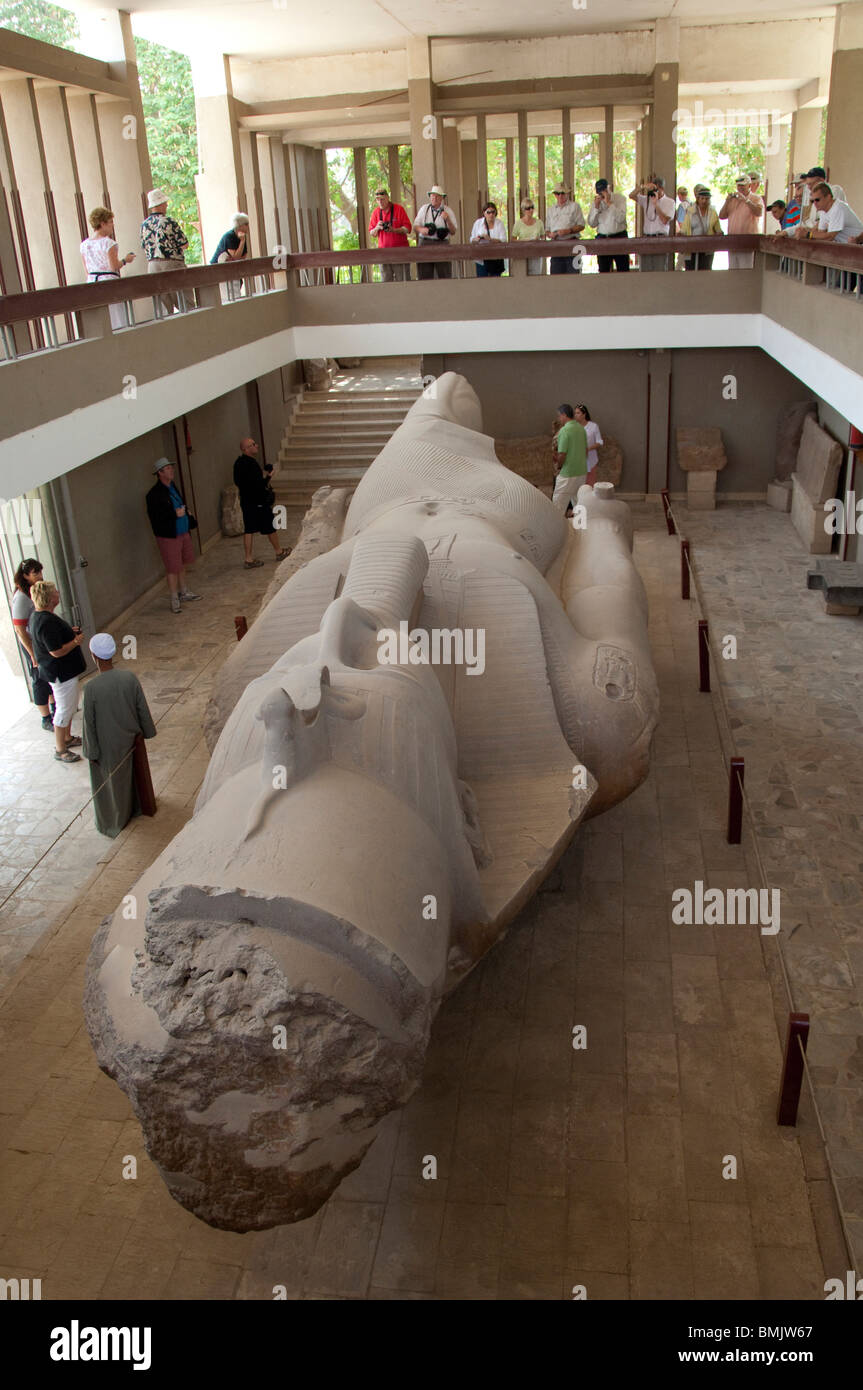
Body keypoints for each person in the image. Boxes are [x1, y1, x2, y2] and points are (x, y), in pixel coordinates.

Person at [81, 633, 157, 838]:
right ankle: (136, 809)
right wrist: (147, 731)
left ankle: (112, 822)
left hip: (108, 746)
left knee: (111, 787)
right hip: (131, 741)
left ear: (94, 656)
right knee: (133, 778)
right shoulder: (129, 678)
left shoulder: (91, 688)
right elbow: (142, 709)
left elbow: (89, 723)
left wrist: (92, 751)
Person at [28, 580, 86, 764]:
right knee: (64, 709)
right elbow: (56, 651)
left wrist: (70, 632)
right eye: (55, 592)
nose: (58, 593)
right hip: (61, 673)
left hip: (61, 672)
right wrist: (76, 641)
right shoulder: (46, 621)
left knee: (68, 707)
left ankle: (67, 738)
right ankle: (61, 749)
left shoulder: (40, 616)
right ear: (48, 598)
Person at [145, 459, 201, 613]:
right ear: (160, 473)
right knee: (172, 567)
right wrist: (174, 514)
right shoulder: (154, 494)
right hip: (169, 535)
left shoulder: (173, 486)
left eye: (171, 468)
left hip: (182, 531)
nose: (171, 471)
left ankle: (184, 591)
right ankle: (174, 598)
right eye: (168, 469)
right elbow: (156, 516)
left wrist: (187, 515)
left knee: (182, 563)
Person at [233, 437, 291, 568]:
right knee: (270, 526)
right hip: (258, 502)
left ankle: (248, 559)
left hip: (246, 501)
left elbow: (239, 482)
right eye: (253, 444)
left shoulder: (238, 463)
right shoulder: (251, 464)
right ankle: (279, 552)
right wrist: (269, 477)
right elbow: (259, 485)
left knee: (249, 529)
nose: (256, 445)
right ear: (246, 449)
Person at [10, 557, 53, 730]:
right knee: (39, 678)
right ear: (25, 575)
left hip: (41, 640)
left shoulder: (34, 590)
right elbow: (20, 629)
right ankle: (46, 718)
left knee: (49, 674)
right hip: (32, 643)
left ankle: (54, 707)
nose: (40, 575)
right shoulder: (21, 597)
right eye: (36, 573)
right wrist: (32, 654)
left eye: (40, 571)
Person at [80, 207, 136, 330]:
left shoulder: (84, 245)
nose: (112, 226)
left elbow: (87, 270)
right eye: (110, 222)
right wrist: (125, 260)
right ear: (103, 223)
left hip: (92, 281)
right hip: (108, 281)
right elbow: (113, 266)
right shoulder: (109, 243)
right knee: (117, 317)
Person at [141, 188, 188, 314]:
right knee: (185, 302)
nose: (166, 205)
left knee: (163, 307)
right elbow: (184, 244)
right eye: (165, 202)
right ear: (160, 204)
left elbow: (144, 246)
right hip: (172, 263)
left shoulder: (144, 224)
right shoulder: (168, 221)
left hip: (152, 266)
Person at [629, 175, 675, 270]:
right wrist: (643, 187)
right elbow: (631, 195)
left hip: (661, 238)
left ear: (662, 188)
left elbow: (665, 220)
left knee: (659, 268)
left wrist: (656, 204)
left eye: (656, 189)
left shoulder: (670, 202)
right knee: (645, 269)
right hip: (647, 238)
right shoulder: (646, 199)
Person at [718, 174, 763, 268]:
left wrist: (746, 200)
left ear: (749, 186)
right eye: (739, 185)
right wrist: (727, 201)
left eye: (743, 185)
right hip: (733, 242)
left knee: (746, 270)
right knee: (733, 271)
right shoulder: (733, 200)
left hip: (747, 243)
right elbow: (721, 216)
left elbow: (759, 212)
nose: (740, 188)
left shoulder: (756, 198)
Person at [413, 186, 458, 280]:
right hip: (425, 243)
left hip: (442, 244)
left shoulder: (448, 211)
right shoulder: (424, 209)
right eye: (432, 196)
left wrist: (448, 220)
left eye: (437, 196)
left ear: (442, 198)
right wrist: (423, 230)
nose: (434, 198)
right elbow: (415, 226)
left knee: (444, 273)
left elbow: (453, 231)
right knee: (424, 274)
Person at [368, 189, 412, 281]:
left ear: (388, 198)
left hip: (400, 253)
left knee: (403, 280)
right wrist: (377, 227)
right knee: (386, 282)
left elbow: (408, 228)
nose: (380, 202)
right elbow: (372, 233)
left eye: (382, 199)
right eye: (378, 199)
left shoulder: (399, 209)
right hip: (384, 254)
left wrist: (394, 230)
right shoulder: (376, 212)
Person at [587, 178, 629, 272]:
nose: (602, 194)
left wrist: (609, 203)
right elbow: (592, 224)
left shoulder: (620, 199)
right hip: (602, 238)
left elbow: (621, 218)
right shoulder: (595, 202)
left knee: (623, 271)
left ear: (609, 188)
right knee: (603, 270)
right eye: (600, 192)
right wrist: (596, 208)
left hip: (619, 237)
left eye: (604, 191)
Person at [551, 404, 588, 512]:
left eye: (559, 416)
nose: (559, 419)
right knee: (579, 504)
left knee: (558, 505)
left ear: (564, 415)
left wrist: (558, 467)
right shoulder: (581, 429)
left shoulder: (564, 431)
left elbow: (562, 454)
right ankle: (580, 528)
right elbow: (586, 451)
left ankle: (557, 528)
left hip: (567, 473)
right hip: (581, 472)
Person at [546, 182, 585, 275]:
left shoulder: (575, 206)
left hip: (572, 244)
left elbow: (581, 225)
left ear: (567, 194)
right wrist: (550, 234)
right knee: (556, 277)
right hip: (556, 246)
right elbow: (546, 229)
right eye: (557, 193)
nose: (560, 196)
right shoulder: (550, 210)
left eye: (562, 193)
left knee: (574, 275)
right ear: (555, 195)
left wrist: (568, 231)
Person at [210, 212, 250, 300]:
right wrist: (242, 242)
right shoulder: (229, 236)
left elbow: (243, 256)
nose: (248, 226)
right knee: (228, 295)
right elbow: (235, 257)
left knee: (237, 289)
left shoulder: (242, 237)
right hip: (220, 269)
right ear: (240, 226)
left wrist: (242, 242)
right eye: (246, 224)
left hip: (233, 269)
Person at [680, 187, 723, 268]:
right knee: (691, 271)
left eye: (706, 199)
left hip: (707, 248)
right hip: (691, 247)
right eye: (702, 198)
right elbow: (684, 230)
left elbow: (718, 230)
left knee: (705, 271)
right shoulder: (690, 212)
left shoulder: (713, 213)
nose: (704, 201)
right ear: (698, 199)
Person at [470, 202, 507, 277]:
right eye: (488, 212)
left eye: (493, 212)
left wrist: (490, 239)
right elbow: (471, 239)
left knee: (496, 282)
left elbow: (503, 240)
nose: (491, 214)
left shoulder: (499, 223)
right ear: (484, 213)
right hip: (482, 259)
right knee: (482, 282)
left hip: (496, 259)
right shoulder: (478, 223)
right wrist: (477, 239)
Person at [511, 197, 546, 275]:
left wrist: (539, 240)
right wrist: (525, 241)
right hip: (521, 253)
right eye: (528, 208)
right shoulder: (518, 223)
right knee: (521, 276)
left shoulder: (539, 222)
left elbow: (543, 237)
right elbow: (513, 240)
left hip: (536, 253)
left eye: (532, 207)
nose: (531, 210)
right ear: (523, 210)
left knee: (536, 276)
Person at [574, 405, 603, 486]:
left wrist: (588, 448)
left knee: (590, 484)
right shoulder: (574, 427)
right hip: (577, 460)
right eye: (575, 413)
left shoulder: (593, 426)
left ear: (584, 414)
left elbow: (599, 442)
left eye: (578, 413)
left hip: (591, 459)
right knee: (578, 484)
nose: (575, 415)